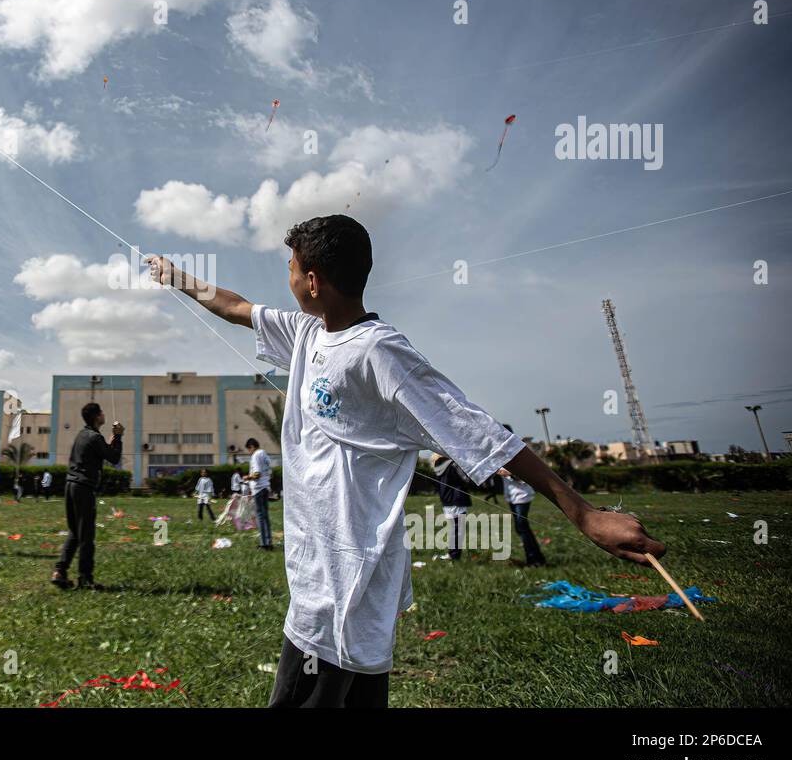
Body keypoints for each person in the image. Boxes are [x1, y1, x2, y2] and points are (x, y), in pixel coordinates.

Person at [147, 215, 663, 708]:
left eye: (288, 269)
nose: (284, 280)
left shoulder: (379, 351)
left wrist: (585, 514)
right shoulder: (307, 333)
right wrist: (177, 279)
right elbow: (236, 307)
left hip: (348, 578)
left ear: (312, 280)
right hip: (316, 570)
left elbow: (478, 431)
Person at [50, 402, 122, 590]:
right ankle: (85, 578)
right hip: (84, 488)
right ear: (97, 416)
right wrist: (119, 437)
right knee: (86, 535)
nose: (104, 415)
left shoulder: (83, 435)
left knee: (75, 531)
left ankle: (60, 571)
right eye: (102, 412)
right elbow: (113, 458)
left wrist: (112, 439)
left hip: (70, 486)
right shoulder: (95, 437)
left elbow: (103, 450)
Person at [498, 427, 545, 566]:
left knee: (522, 526)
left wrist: (508, 473)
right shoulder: (500, 452)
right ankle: (533, 557)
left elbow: (525, 473)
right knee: (520, 528)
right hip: (512, 495)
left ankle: (535, 559)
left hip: (522, 495)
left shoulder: (515, 450)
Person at [431, 453, 472, 560]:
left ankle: (452, 553)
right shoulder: (454, 464)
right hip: (457, 498)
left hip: (446, 499)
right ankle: (454, 555)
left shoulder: (437, 466)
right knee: (458, 528)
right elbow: (466, 479)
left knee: (453, 528)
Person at [244, 438, 274, 550]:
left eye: (249, 449)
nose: (249, 452)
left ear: (251, 446)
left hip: (259, 488)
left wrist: (247, 477)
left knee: (260, 516)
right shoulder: (264, 454)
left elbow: (257, 474)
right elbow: (270, 472)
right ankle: (268, 541)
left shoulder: (256, 455)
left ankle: (264, 544)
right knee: (265, 516)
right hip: (265, 487)